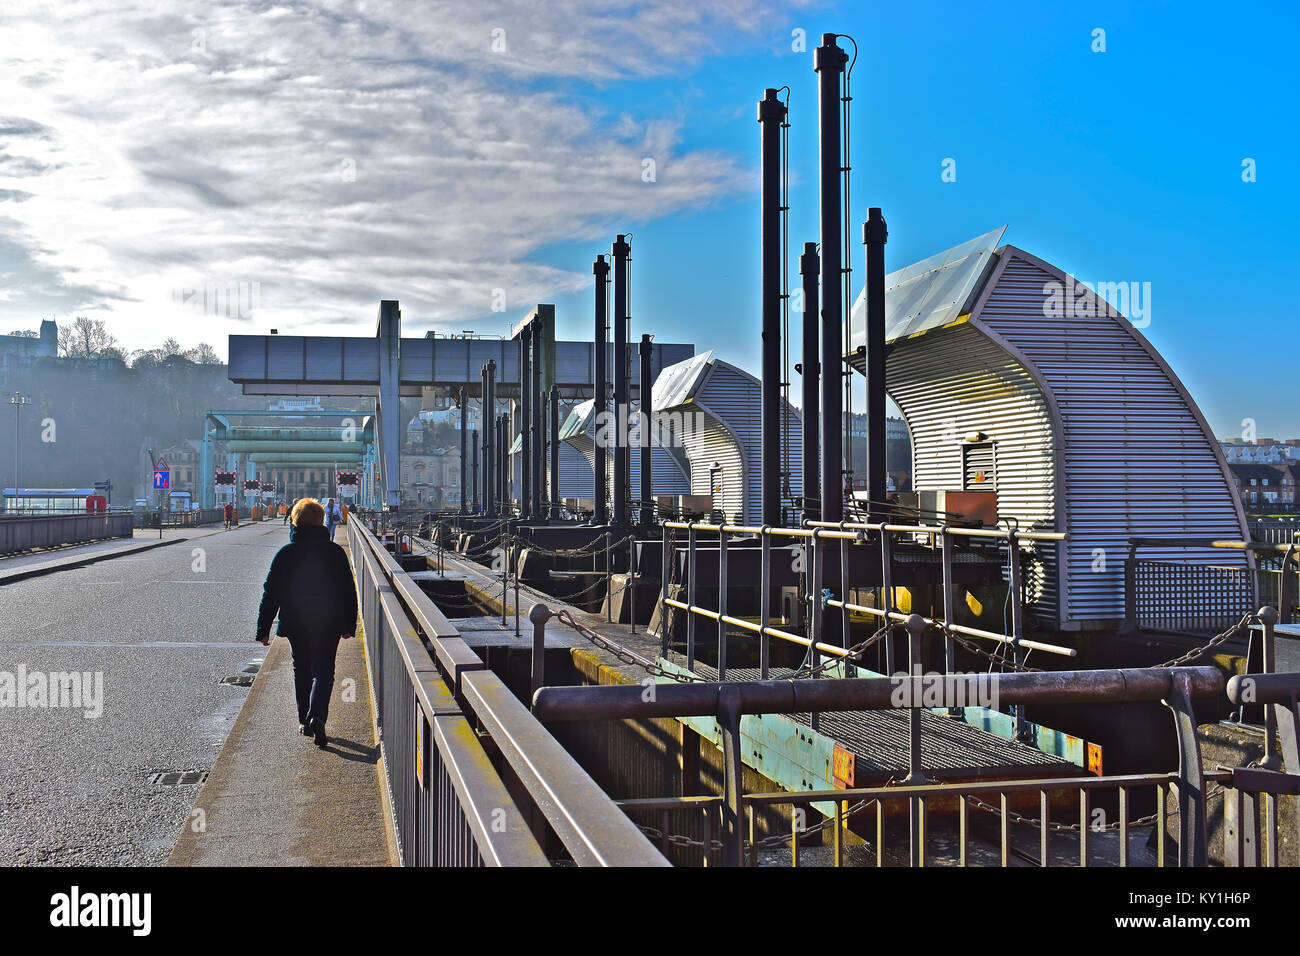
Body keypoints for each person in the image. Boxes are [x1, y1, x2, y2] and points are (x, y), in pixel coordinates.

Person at [255, 498, 357, 748]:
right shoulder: (335, 552)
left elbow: (271, 592)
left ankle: (304, 720)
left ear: (295, 521)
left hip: (296, 621)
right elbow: (348, 590)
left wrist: (263, 628)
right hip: (329, 621)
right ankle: (318, 715)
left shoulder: (286, 554)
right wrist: (348, 625)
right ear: (322, 521)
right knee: (324, 671)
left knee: (301, 670)